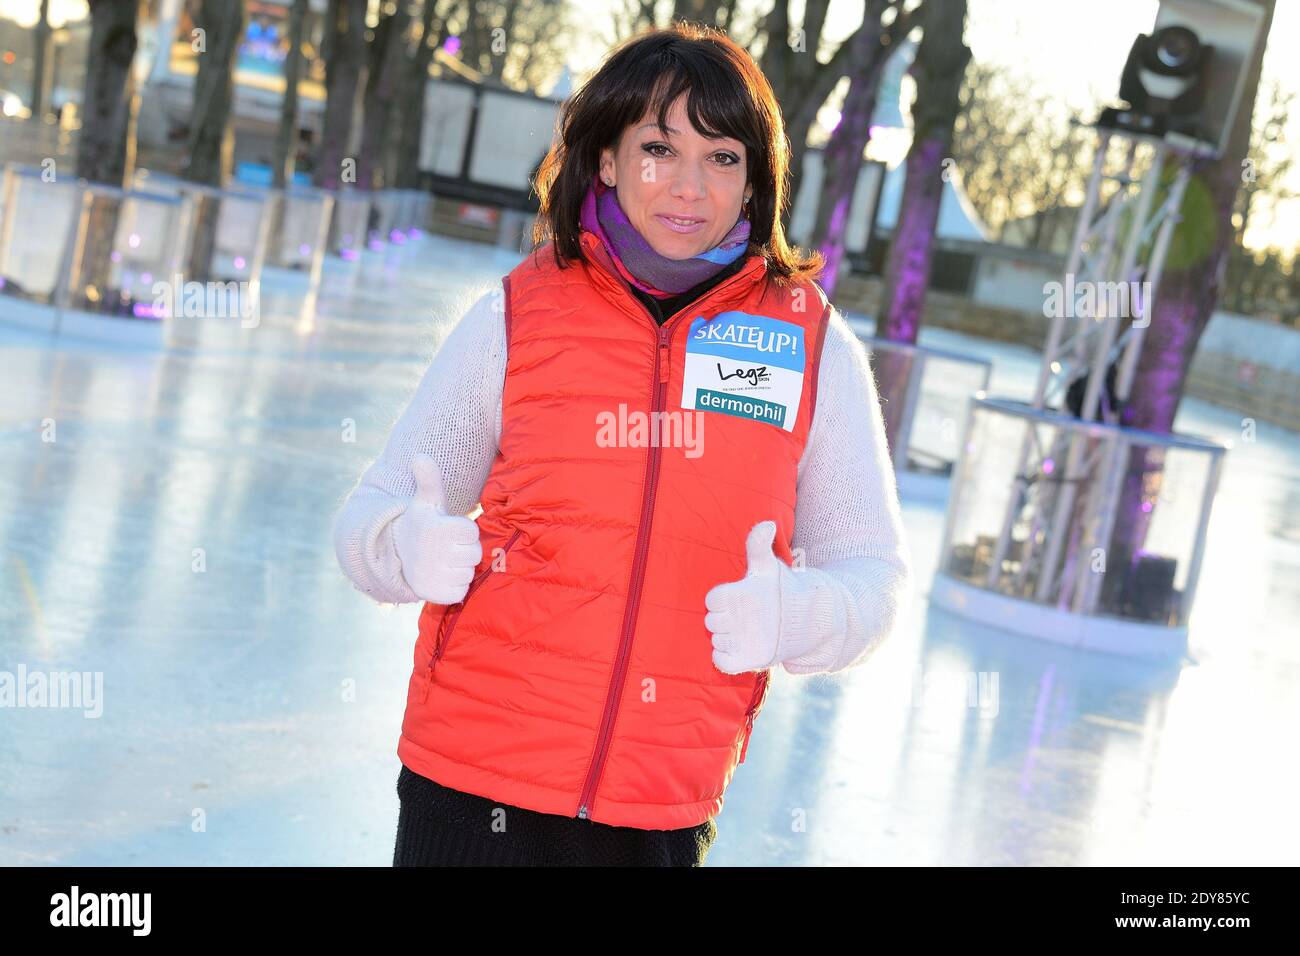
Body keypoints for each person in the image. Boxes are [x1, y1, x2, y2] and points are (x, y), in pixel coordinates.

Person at [333, 23, 911, 867]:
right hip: (470, 789)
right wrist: (403, 546)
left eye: (722, 157)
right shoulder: (516, 314)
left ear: (755, 180)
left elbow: (876, 575)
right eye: (657, 148)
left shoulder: (809, 343)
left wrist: (799, 613)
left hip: (659, 810)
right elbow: (369, 517)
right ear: (605, 159)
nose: (688, 186)